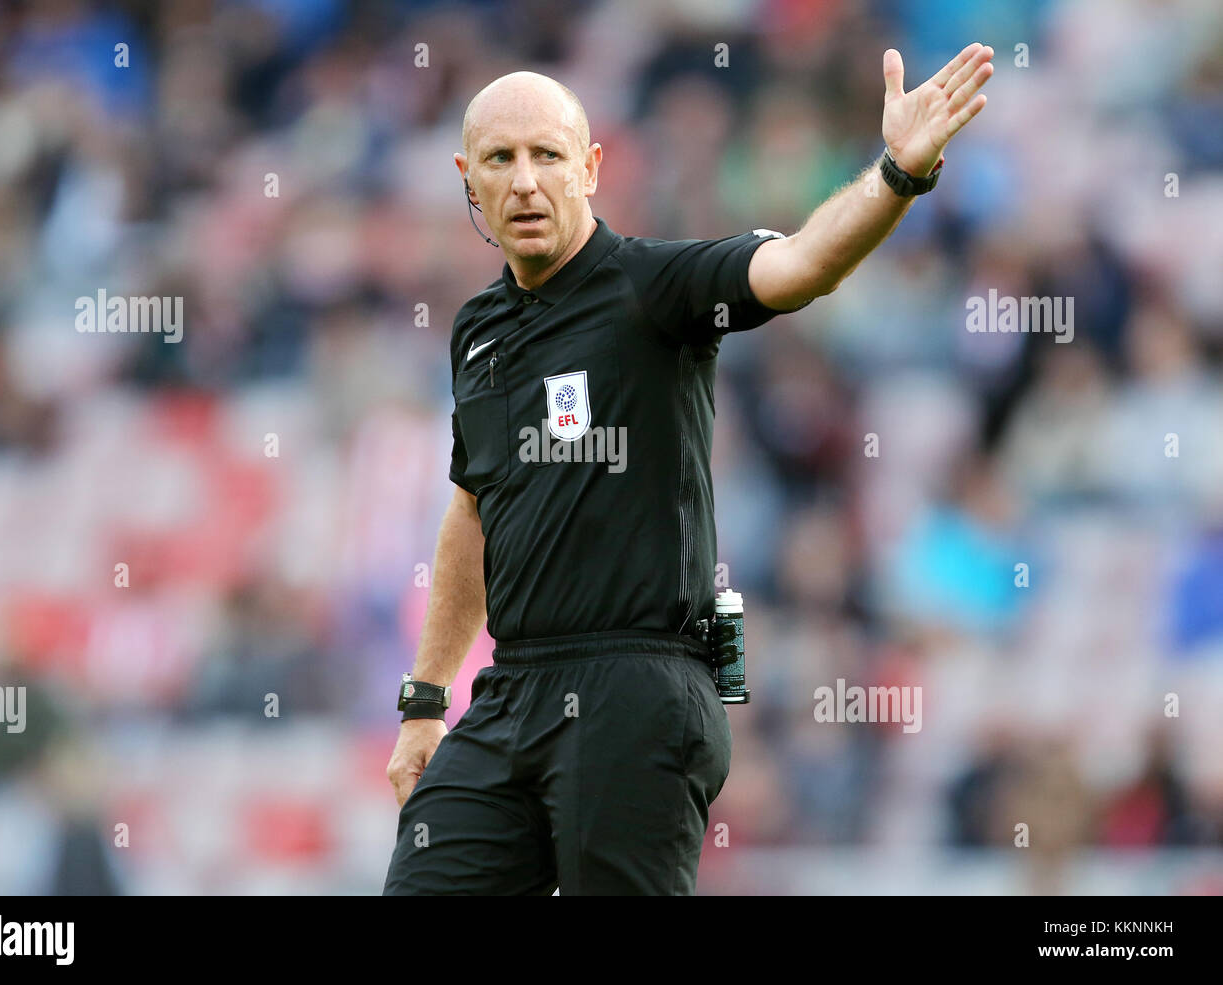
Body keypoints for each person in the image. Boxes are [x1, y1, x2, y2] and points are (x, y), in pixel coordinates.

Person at [383, 44, 995, 895]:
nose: (525, 181)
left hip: (637, 685)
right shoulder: (477, 331)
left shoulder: (654, 287)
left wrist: (896, 172)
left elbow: (802, 265)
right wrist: (424, 699)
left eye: (547, 156)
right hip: (510, 687)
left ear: (590, 168)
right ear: (467, 178)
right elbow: (471, 508)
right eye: (501, 159)